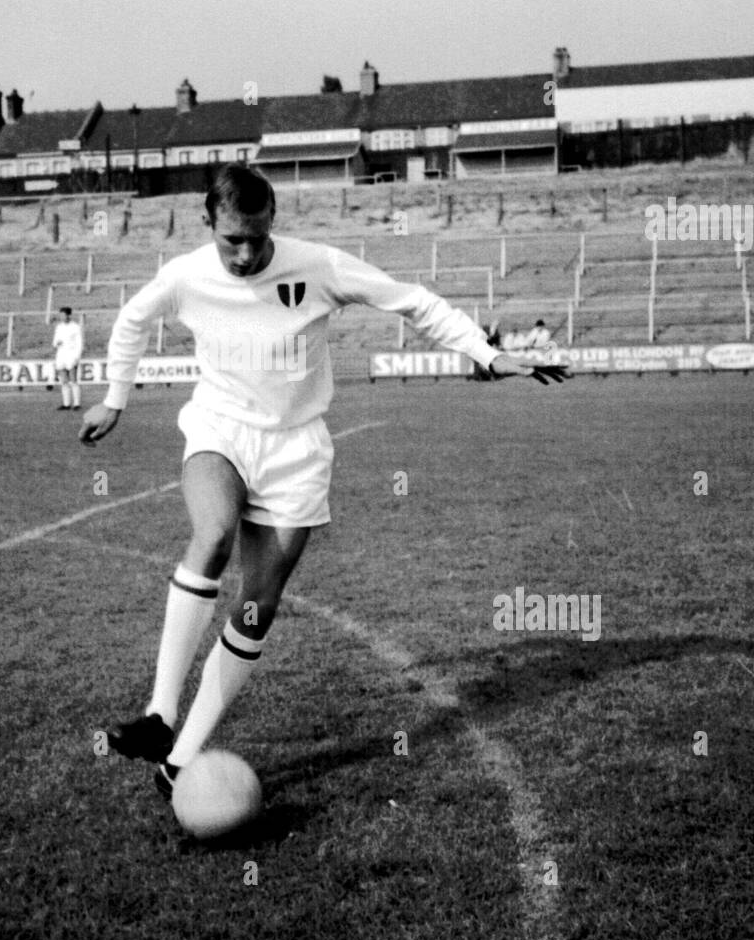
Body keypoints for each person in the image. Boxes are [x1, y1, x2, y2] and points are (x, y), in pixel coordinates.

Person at [80, 164, 569, 801]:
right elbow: (132, 321)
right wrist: (114, 399)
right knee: (214, 534)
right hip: (220, 430)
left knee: (257, 607)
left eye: (257, 237)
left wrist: (487, 353)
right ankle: (159, 716)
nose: (247, 253)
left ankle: (181, 760)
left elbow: (410, 300)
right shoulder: (185, 276)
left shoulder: (317, 266)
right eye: (233, 240)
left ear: (272, 223)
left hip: (297, 451)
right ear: (210, 227)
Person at [52, 306, 84, 410]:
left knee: (73, 380)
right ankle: (66, 404)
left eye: (63, 315)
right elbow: (55, 342)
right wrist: (56, 343)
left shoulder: (75, 327)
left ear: (69, 315)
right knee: (64, 381)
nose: (61, 317)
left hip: (71, 354)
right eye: (60, 315)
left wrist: (76, 357)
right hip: (61, 355)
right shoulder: (59, 327)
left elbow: (79, 344)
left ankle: (77, 404)